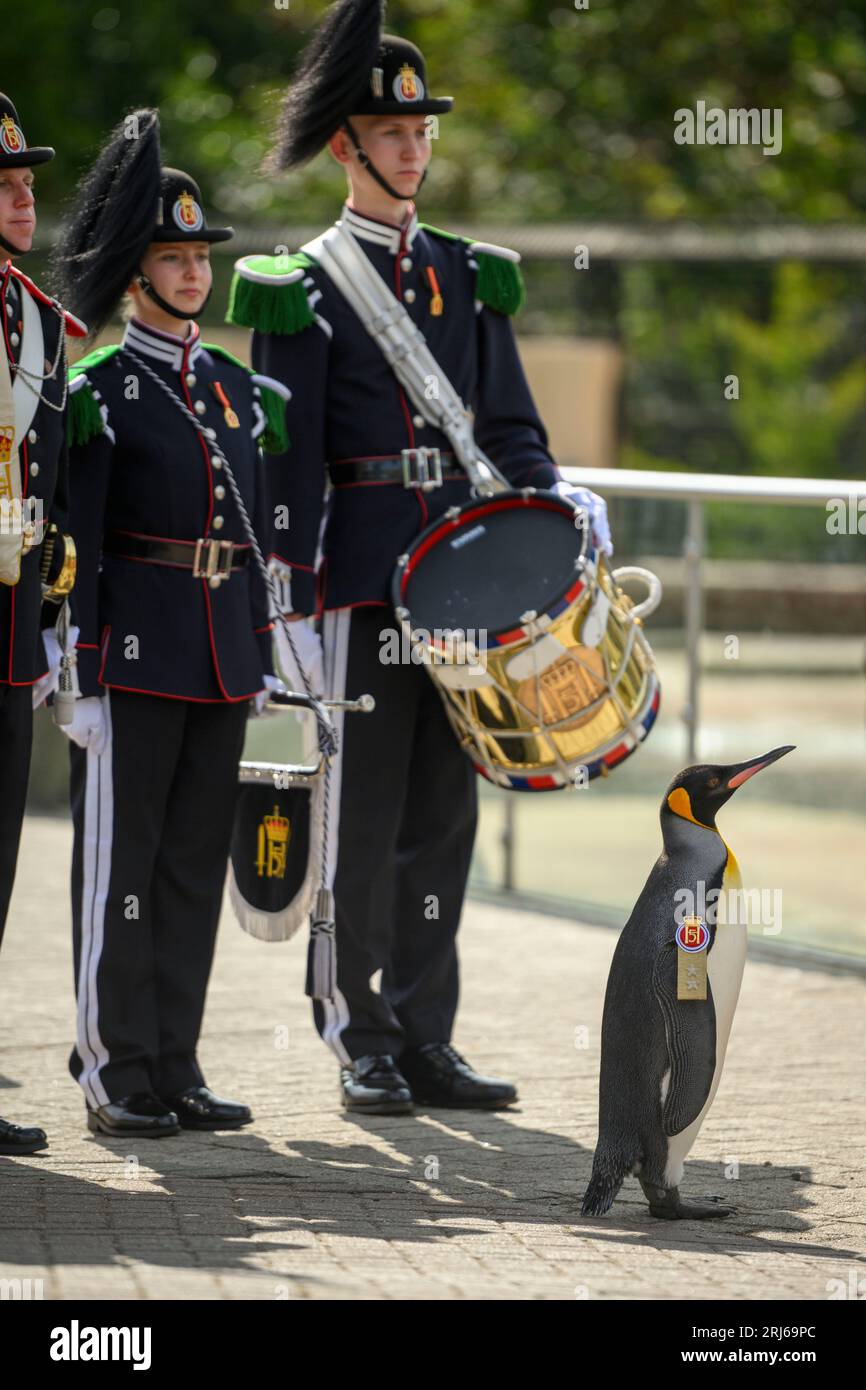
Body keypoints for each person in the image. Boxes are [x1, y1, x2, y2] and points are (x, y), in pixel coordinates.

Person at [228, 0, 611, 1114]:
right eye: (393, 134)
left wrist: (550, 510)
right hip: (357, 579)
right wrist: (287, 599)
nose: (415, 147)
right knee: (361, 814)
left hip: (467, 581)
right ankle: (360, 1033)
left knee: (446, 812)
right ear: (346, 146)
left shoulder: (466, 274)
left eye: (422, 131)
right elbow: (284, 457)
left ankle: (426, 1032)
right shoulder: (297, 287)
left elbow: (511, 428)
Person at [50, 109, 288, 1139]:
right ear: (133, 272)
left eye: (199, 256)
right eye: (171, 257)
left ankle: (177, 1063)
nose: (194, 273)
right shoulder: (101, 389)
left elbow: (254, 535)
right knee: (122, 868)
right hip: (136, 651)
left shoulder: (236, 391)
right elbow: (80, 543)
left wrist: (264, 650)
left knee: (190, 866)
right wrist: (83, 674)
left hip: (219, 655)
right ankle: (115, 1067)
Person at [0, 93, 84, 1155]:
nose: (24, 199)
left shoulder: (35, 321)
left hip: (11, 618)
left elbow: (49, 475)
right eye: (5, 184)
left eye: (25, 183)